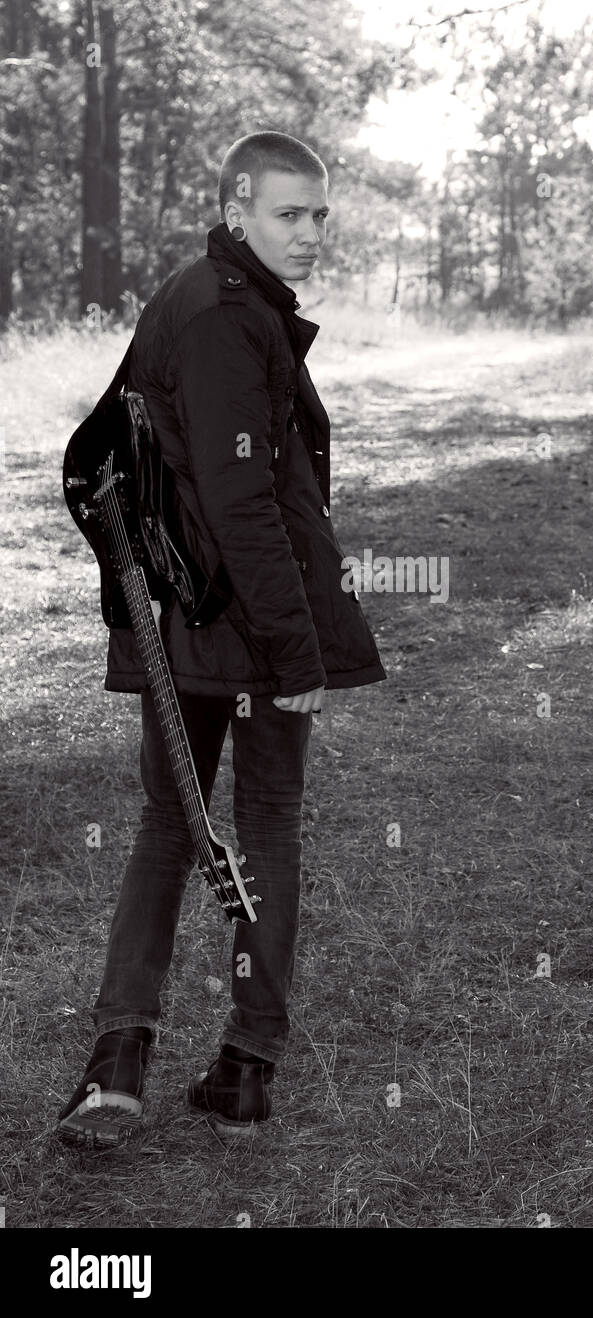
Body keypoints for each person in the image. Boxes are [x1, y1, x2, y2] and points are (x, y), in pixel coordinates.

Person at [57, 131, 386, 1145]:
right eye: (290, 213)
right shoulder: (217, 313)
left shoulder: (223, 302)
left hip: (221, 622)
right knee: (206, 828)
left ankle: (190, 1065)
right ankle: (189, 1064)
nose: (310, 233)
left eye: (320, 214)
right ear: (237, 205)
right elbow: (242, 507)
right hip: (222, 625)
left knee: (219, 829)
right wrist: (296, 654)